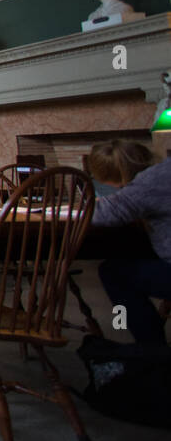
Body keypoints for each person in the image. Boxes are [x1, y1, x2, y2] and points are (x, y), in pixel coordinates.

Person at [89, 142, 170, 345]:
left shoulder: (149, 183)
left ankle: (150, 350)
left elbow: (105, 215)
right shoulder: (164, 169)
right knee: (132, 255)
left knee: (112, 272)